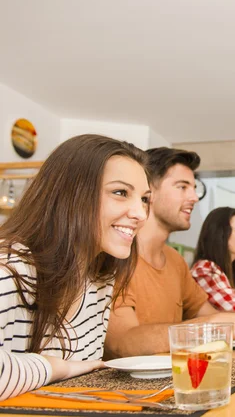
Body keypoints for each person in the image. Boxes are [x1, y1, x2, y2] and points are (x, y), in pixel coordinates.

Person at [0, 134, 150, 400]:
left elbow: (77, 389)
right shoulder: (10, 269)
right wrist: (58, 367)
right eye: (120, 192)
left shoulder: (101, 279)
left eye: (144, 199)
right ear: (70, 194)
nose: (140, 213)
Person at [104, 148, 235, 359]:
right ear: (149, 190)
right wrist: (213, 325)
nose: (194, 197)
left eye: (194, 188)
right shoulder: (115, 257)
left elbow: (213, 317)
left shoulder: (175, 261)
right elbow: (121, 343)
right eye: (182, 187)